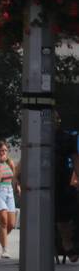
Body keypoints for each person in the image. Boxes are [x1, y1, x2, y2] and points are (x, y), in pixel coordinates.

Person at [54, 111, 79, 261]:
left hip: (62, 180)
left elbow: (75, 158)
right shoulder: (34, 135)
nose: (54, 121)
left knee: (64, 216)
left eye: (56, 118)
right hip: (39, 181)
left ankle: (67, 243)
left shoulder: (66, 138)